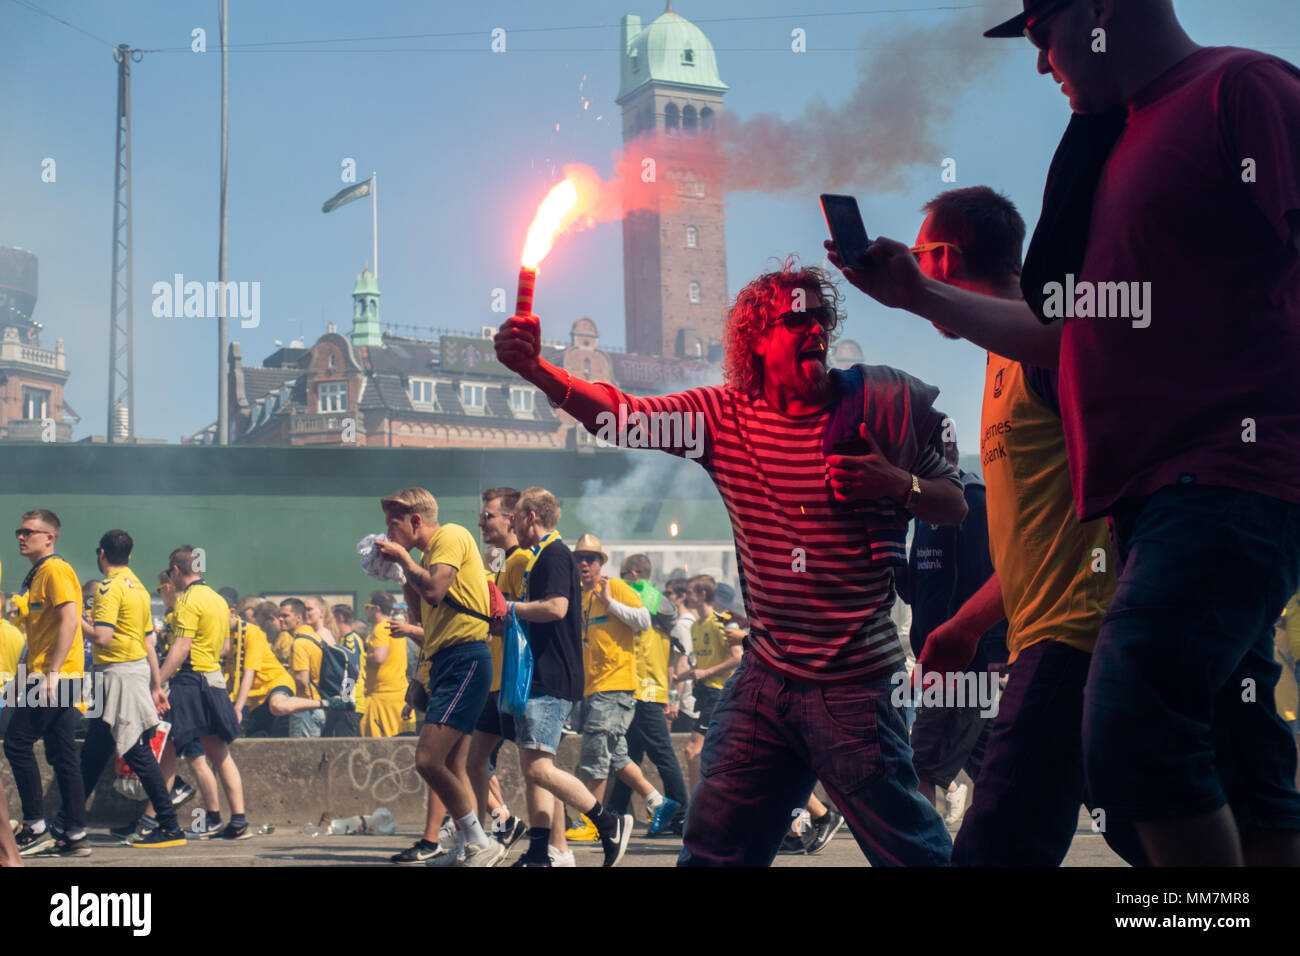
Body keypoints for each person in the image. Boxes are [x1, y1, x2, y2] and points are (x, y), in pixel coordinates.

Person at [834, 0, 1300, 865]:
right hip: (1155, 505)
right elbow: (1071, 336)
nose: (1039, 61)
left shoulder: (1243, 88)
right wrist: (918, 293)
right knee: (1239, 768)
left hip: (1231, 482)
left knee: (1132, 722)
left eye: (1043, 33)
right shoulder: (1108, 153)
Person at [498, 259, 965, 867]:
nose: (815, 332)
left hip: (853, 680)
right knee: (717, 847)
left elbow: (954, 503)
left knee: (911, 851)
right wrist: (537, 369)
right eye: (795, 321)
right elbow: (624, 417)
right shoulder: (724, 417)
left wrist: (897, 484)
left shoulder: (885, 402)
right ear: (757, 338)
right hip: (768, 677)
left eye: (820, 319)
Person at [375, 487, 505, 867]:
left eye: (393, 524)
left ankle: (480, 840)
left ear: (416, 520)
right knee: (451, 765)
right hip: (447, 661)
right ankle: (468, 843)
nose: (388, 532)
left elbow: (434, 588)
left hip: (465, 658)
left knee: (428, 759)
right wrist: (402, 571)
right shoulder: (428, 555)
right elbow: (420, 613)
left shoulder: (450, 535)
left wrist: (403, 557)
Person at [506, 487, 633, 867]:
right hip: (541, 676)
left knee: (538, 768)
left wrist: (510, 608)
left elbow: (557, 607)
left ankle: (607, 822)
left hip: (551, 677)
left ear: (532, 516)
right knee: (534, 770)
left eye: (515, 515)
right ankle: (540, 851)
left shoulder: (555, 553)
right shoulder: (539, 556)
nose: (511, 522)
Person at [900, 438, 1005, 826]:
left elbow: (997, 579)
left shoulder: (974, 503)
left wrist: (995, 655)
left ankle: (922, 852)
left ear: (946, 453)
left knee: (922, 770)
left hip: (965, 668)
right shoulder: (925, 508)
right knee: (997, 770)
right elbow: (914, 587)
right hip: (939, 666)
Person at [77, 530, 186, 848]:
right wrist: (155, 683)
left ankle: (168, 825)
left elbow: (101, 638)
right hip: (124, 673)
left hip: (117, 674)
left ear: (101, 554)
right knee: (94, 751)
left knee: (137, 750)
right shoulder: (137, 586)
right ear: (130, 555)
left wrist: (71, 618)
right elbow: (148, 640)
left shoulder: (109, 588)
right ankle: (68, 821)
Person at [564, 534, 674, 844]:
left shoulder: (616, 587)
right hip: (592, 688)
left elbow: (643, 621)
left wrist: (610, 603)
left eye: (591, 558)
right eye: (579, 558)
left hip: (615, 686)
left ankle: (593, 820)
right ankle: (658, 802)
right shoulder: (580, 596)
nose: (584, 563)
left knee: (596, 754)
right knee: (615, 756)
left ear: (601, 563)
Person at [4, 509, 91, 857]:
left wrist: (52, 673)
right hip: (49, 675)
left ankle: (35, 826)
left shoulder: (55, 569)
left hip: (55, 676)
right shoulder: (37, 573)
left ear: (49, 537)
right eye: (19, 531)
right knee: (63, 755)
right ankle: (75, 833)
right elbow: (42, 634)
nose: (21, 537)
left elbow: (70, 619)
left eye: (29, 532)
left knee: (16, 743)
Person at [158, 545, 252, 840]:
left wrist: (157, 682)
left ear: (175, 571)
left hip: (190, 681)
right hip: (214, 680)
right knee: (220, 753)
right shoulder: (218, 600)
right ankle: (238, 821)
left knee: (169, 748)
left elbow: (181, 648)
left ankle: (159, 824)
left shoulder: (187, 601)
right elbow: (225, 648)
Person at [607, 554, 689, 836]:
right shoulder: (659, 603)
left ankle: (681, 814)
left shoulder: (642, 598)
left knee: (661, 753)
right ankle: (615, 814)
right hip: (646, 685)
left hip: (643, 687)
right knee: (629, 755)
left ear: (630, 574)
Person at [467, 488, 529, 849]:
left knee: (537, 768)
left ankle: (556, 841)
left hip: (517, 681)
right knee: (473, 761)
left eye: (488, 515)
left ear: (511, 518)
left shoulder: (522, 560)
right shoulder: (501, 561)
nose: (481, 522)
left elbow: (507, 616)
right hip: (496, 681)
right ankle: (496, 825)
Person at [679, 575, 743, 799]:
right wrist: (680, 678)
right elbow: (702, 662)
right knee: (719, 753)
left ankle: (697, 807)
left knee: (693, 750)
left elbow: (738, 657)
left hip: (721, 694)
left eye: (690, 591)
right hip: (706, 695)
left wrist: (706, 673)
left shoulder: (722, 621)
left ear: (702, 595)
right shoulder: (696, 626)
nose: (686, 596)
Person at [225, 605, 322, 738]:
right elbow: (232, 679)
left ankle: (324, 703)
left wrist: (238, 708)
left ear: (231, 612)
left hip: (275, 682)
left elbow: (249, 672)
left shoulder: (251, 632)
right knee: (255, 740)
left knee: (277, 706)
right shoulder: (226, 637)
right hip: (257, 697)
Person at [361, 592, 416, 737]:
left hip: (382, 700)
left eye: (367, 607)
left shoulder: (380, 629)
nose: (365, 610)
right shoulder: (395, 627)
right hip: (400, 698)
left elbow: (379, 657)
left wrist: (361, 658)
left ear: (376, 609)